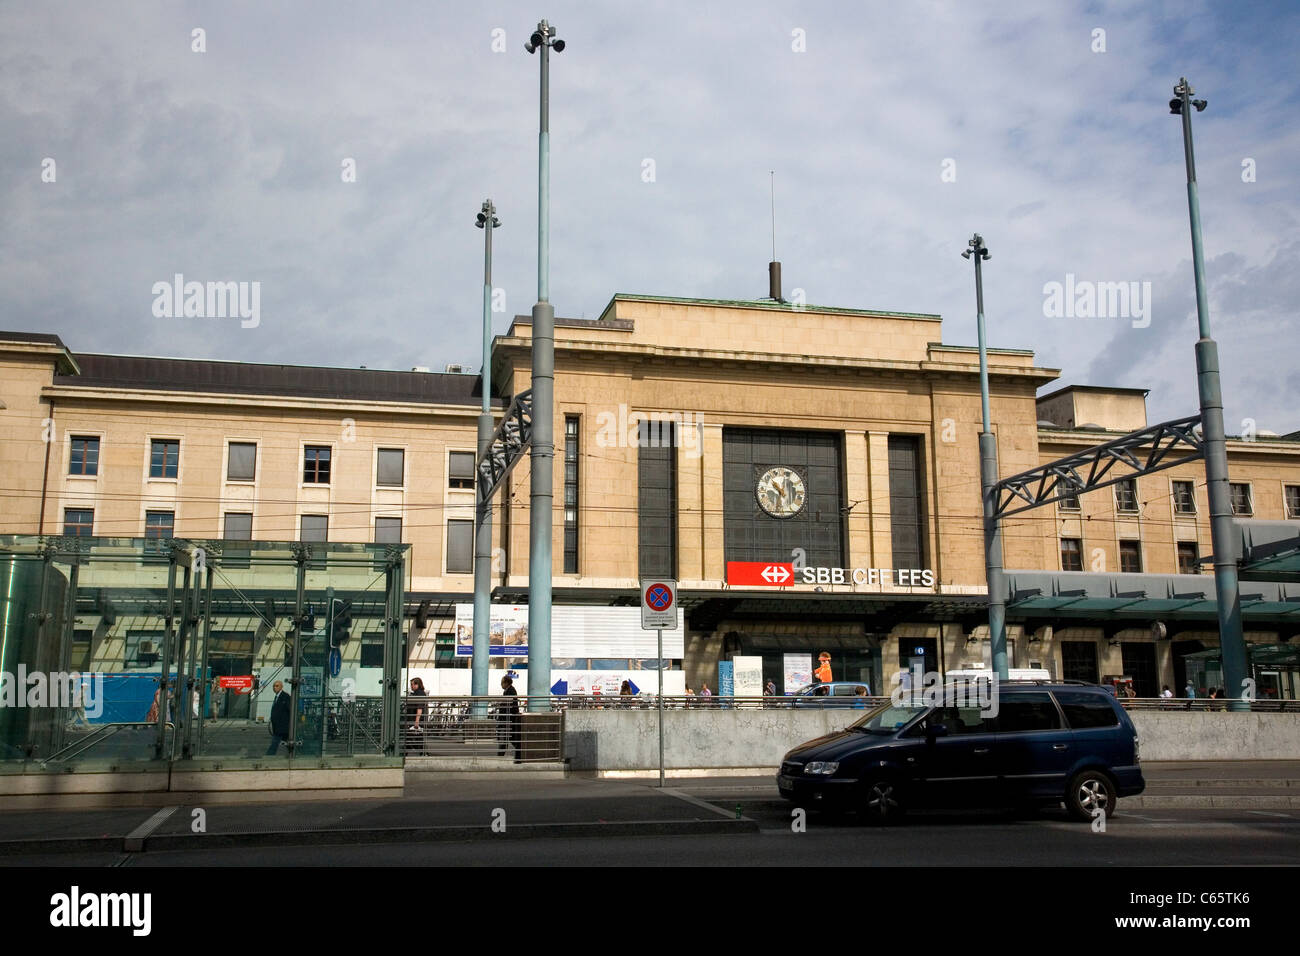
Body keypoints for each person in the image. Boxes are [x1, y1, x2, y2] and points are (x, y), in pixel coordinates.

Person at [498, 675, 521, 761]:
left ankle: (501, 755)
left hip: (509, 718)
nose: (501, 684)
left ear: (506, 683)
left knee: (509, 737)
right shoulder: (508, 691)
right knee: (509, 737)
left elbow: (510, 704)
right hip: (507, 718)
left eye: (502, 682)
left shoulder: (511, 691)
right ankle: (502, 754)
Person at [266, 680, 291, 756]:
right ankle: (295, 755)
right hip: (278, 727)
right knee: (287, 743)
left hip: (282, 726)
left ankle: (268, 757)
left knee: (274, 743)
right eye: (274, 686)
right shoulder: (277, 696)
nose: (275, 688)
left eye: (277, 686)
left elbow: (289, 709)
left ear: (281, 687)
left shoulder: (285, 696)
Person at [406, 677, 429, 754]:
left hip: (417, 720)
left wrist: (416, 721)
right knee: (417, 737)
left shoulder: (419, 693)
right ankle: (422, 753)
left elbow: (419, 708)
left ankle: (406, 751)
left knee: (412, 736)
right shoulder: (418, 693)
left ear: (417, 684)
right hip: (416, 720)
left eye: (412, 684)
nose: (411, 686)